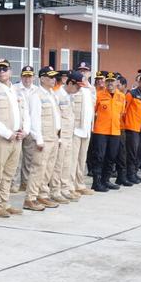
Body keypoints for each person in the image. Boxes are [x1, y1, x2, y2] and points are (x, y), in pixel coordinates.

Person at [0, 60, 28, 217]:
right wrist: (6, 133)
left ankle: (4, 202)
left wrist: (25, 131)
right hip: (1, 138)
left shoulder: (17, 91)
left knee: (9, 174)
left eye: (5, 69)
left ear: (11, 71)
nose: (2, 72)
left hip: (17, 137)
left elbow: (24, 113)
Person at [23, 66, 61, 211]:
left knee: (48, 168)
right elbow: (34, 119)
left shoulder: (52, 94)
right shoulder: (36, 95)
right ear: (42, 78)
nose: (53, 80)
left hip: (53, 136)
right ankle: (30, 198)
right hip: (43, 137)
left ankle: (42, 194)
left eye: (54, 77)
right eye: (50, 77)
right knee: (38, 168)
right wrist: (38, 138)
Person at [48, 70, 80, 203]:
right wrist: (59, 137)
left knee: (67, 164)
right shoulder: (57, 95)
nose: (79, 89)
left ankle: (65, 189)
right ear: (70, 83)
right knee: (58, 165)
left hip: (69, 136)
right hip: (61, 137)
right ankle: (55, 191)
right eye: (77, 86)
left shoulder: (69, 95)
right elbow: (56, 118)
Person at [88, 73, 123, 192]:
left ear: (116, 83)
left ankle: (106, 180)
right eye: (108, 81)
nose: (110, 83)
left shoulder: (121, 96)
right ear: (105, 82)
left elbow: (121, 113)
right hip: (101, 131)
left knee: (111, 157)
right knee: (99, 156)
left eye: (112, 81)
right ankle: (96, 182)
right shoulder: (99, 95)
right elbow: (93, 111)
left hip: (115, 131)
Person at [120, 73, 141, 186]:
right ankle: (129, 174)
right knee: (132, 152)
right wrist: (125, 124)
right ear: (139, 82)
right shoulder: (131, 94)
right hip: (132, 128)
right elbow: (124, 110)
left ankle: (134, 173)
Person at [73, 65, 96, 196]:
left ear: (89, 73)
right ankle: (71, 185)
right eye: (80, 70)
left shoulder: (91, 88)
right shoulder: (75, 87)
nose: (83, 73)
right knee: (73, 159)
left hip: (87, 128)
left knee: (82, 159)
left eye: (85, 71)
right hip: (76, 129)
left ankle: (80, 184)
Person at [16, 66, 38, 193]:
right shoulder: (14, 89)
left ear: (33, 77)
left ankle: (25, 183)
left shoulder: (37, 90)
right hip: (19, 128)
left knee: (29, 158)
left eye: (29, 76)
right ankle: (13, 184)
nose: (27, 79)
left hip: (31, 128)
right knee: (16, 157)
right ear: (21, 77)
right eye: (25, 76)